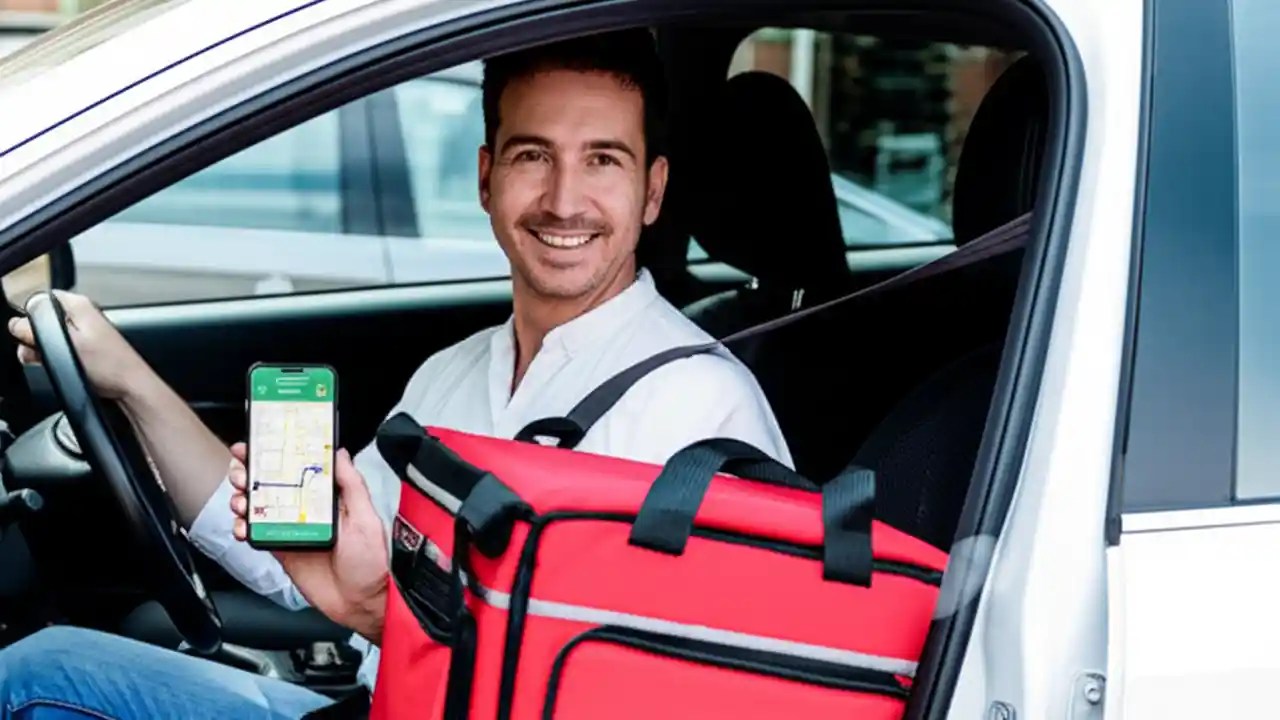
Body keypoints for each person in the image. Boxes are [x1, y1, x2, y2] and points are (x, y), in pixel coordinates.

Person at [0, 27, 790, 720]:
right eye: (531, 155)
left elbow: (687, 694)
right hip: (376, 702)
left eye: (603, 160)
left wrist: (384, 619)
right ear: (486, 177)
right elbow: (301, 560)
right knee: (43, 667)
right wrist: (129, 381)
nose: (562, 198)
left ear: (651, 191)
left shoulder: (702, 415)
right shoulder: (453, 376)